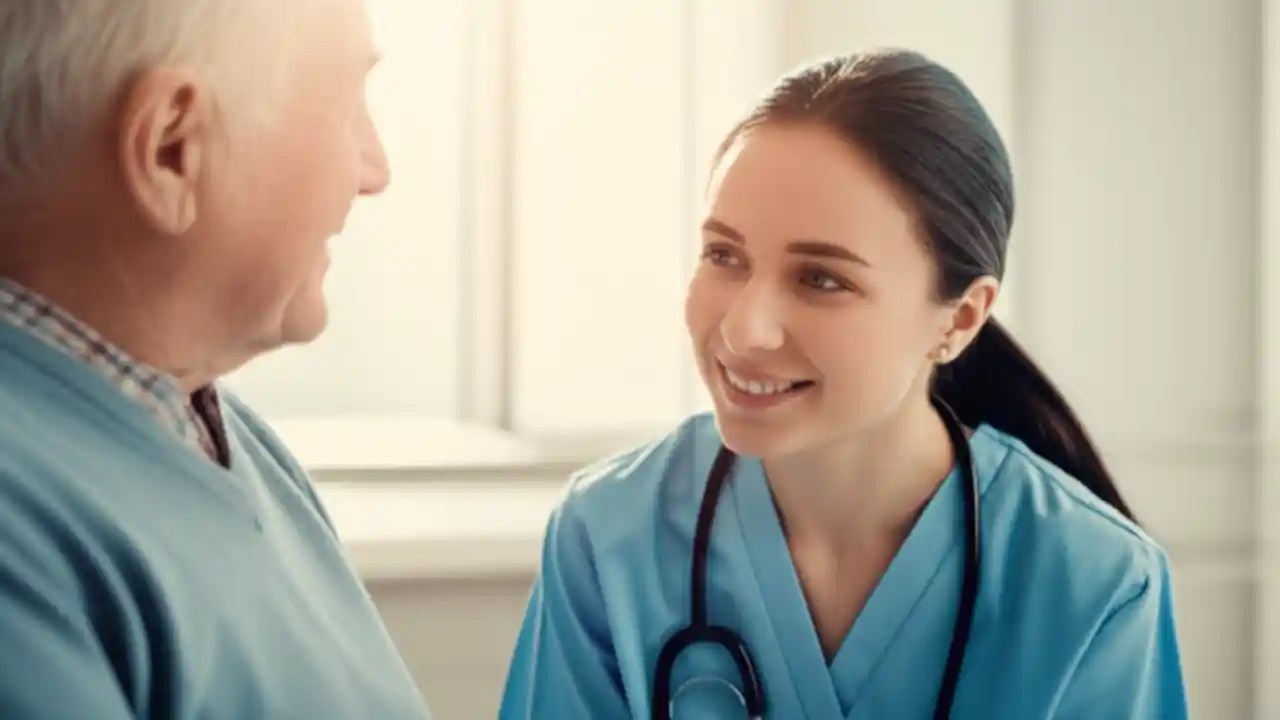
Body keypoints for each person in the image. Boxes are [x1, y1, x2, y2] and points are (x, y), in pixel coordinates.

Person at [499, 49, 1189, 719]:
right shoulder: (611, 536)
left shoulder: (1096, 584)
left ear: (961, 318)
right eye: (724, 255)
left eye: (822, 278)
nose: (745, 329)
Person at [0, 1, 430, 717]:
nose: (374, 169)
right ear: (173, 147)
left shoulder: (230, 439)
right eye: (347, 102)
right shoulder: (22, 535)